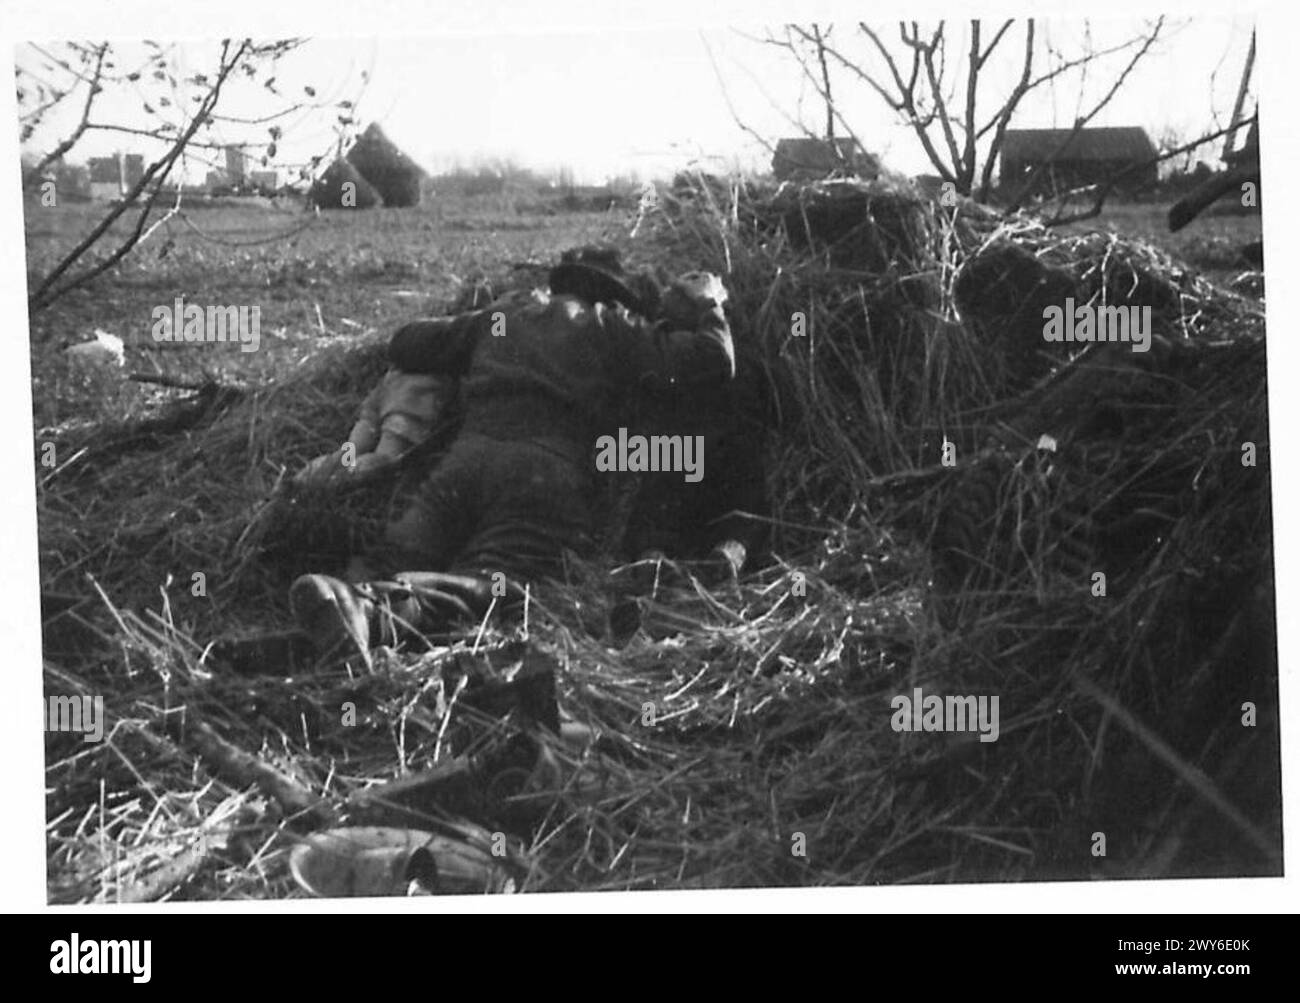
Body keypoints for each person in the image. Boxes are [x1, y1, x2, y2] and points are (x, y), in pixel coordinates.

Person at [287, 247, 736, 664]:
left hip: (464, 463)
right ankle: (373, 614)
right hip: (544, 477)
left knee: (396, 554)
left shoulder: (504, 315)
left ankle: (336, 611)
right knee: (496, 587)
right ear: (615, 296)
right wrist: (708, 304)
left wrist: (481, 326)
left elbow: (405, 343)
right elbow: (714, 361)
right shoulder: (614, 327)